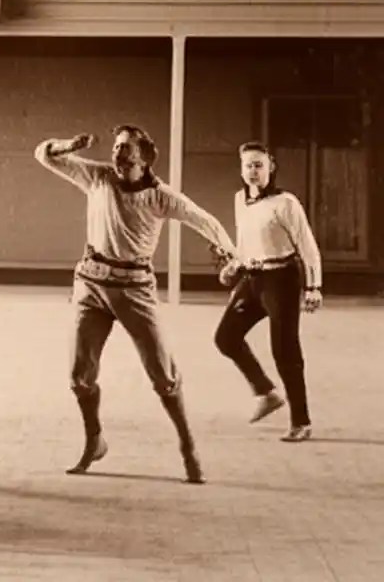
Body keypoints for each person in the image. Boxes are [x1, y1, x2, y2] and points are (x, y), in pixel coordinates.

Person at [34, 125, 238, 485]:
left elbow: (205, 220)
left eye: (125, 148)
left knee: (163, 375)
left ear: (144, 157)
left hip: (134, 289)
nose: (117, 154)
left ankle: (188, 446)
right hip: (91, 285)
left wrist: (228, 253)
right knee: (79, 376)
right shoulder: (97, 177)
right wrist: (70, 145)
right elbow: (43, 154)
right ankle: (94, 439)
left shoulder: (161, 197)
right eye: (115, 147)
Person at [214, 141, 323, 442]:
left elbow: (308, 246)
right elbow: (245, 242)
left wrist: (313, 287)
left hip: (282, 280)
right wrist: (235, 267)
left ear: (271, 167)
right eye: (248, 165)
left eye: (259, 165)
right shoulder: (240, 199)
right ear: (241, 169)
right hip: (253, 278)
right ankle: (265, 392)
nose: (253, 171)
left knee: (284, 350)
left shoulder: (285, 203)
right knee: (225, 337)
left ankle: (301, 421)